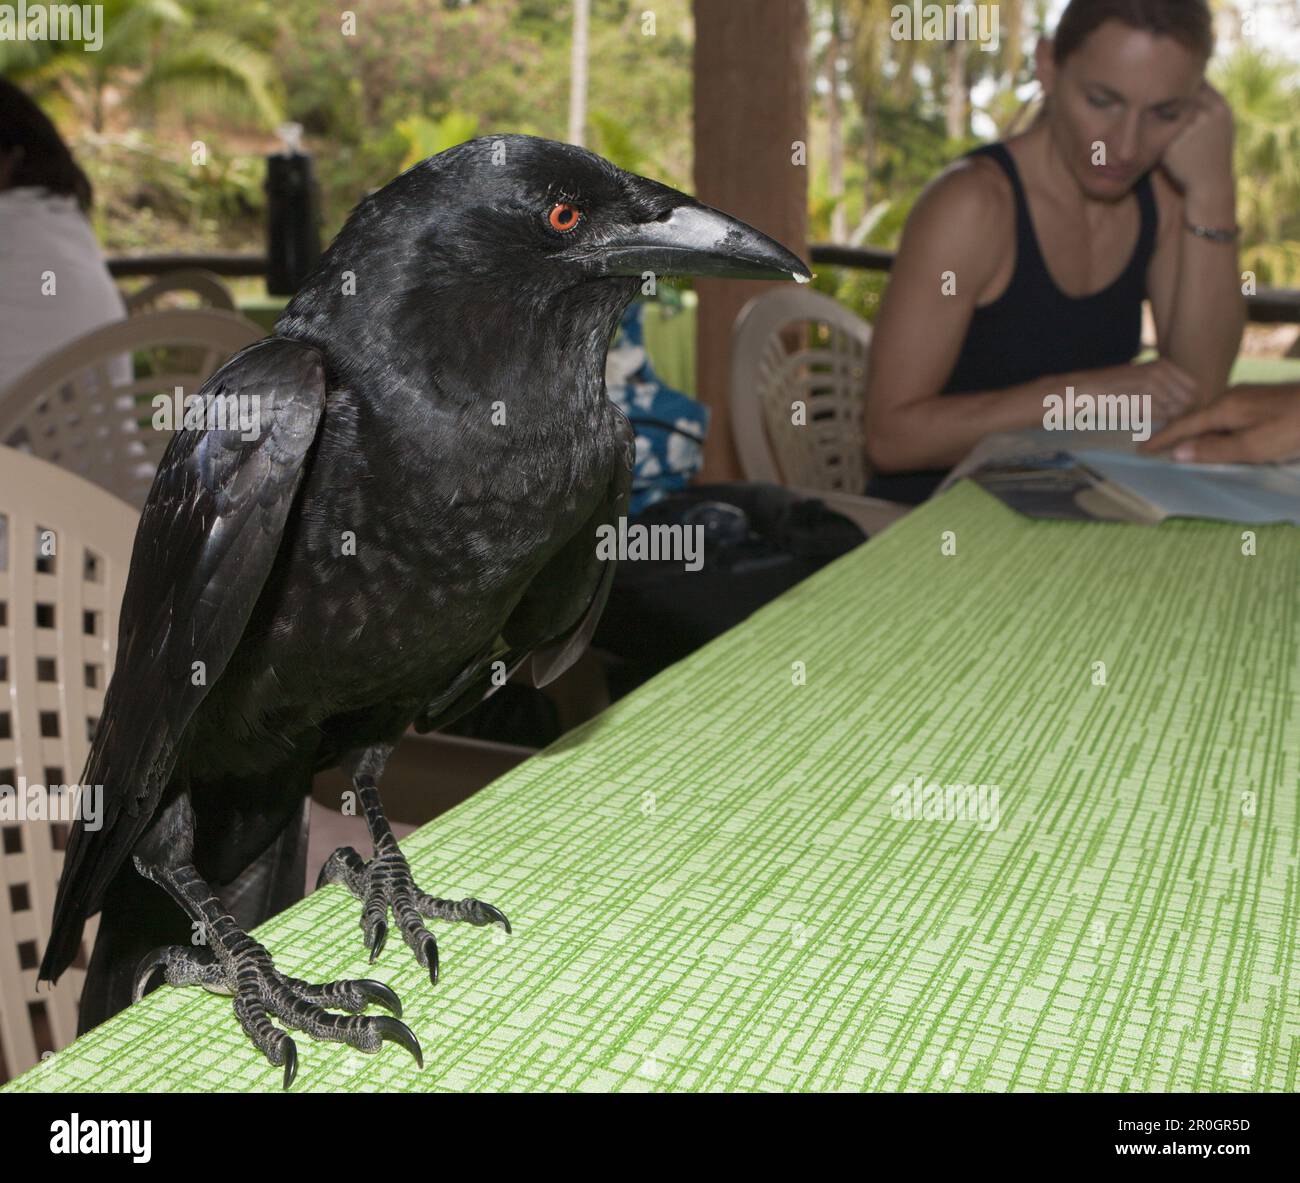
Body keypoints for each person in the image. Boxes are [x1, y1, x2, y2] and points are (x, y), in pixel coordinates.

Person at [864, 0, 1245, 503]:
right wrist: (1077, 397)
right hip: (932, 524)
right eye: (1102, 100)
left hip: (1073, 514)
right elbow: (890, 441)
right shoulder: (973, 206)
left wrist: (1214, 194)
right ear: (1048, 67)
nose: (1125, 146)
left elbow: (1201, 392)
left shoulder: (1168, 196)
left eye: (1163, 113)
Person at [0, 78, 128, 392]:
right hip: (108, 437)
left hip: (20, 435)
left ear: (9, 158)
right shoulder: (63, 219)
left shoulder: (14, 225)